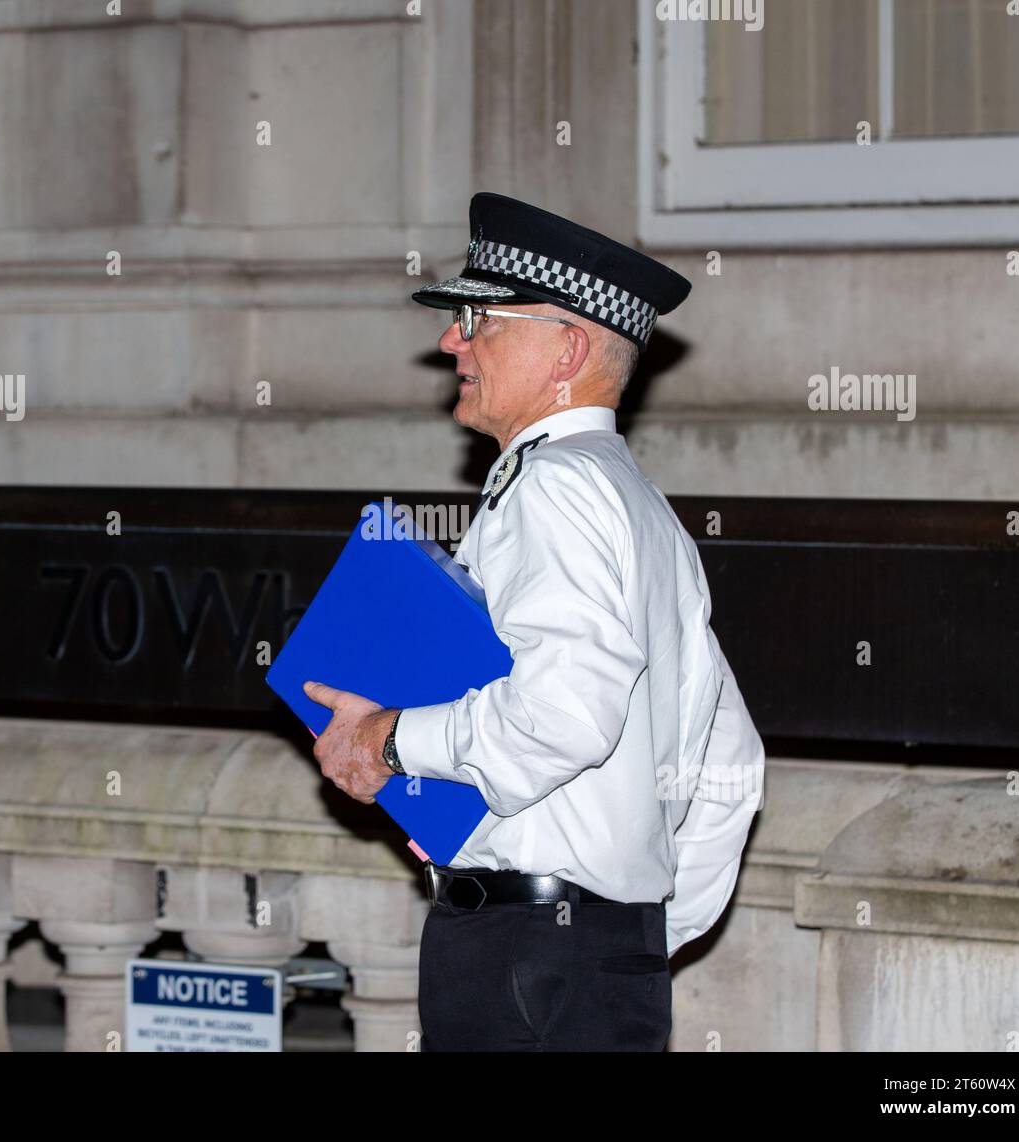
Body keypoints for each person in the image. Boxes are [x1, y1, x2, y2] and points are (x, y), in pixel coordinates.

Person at [303, 192, 765, 1052]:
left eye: (481, 319)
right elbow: (731, 761)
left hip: (524, 959)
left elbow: (563, 714)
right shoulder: (640, 507)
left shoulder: (553, 487)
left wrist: (392, 742)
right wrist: (633, 931)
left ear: (569, 349)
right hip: (582, 960)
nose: (452, 341)